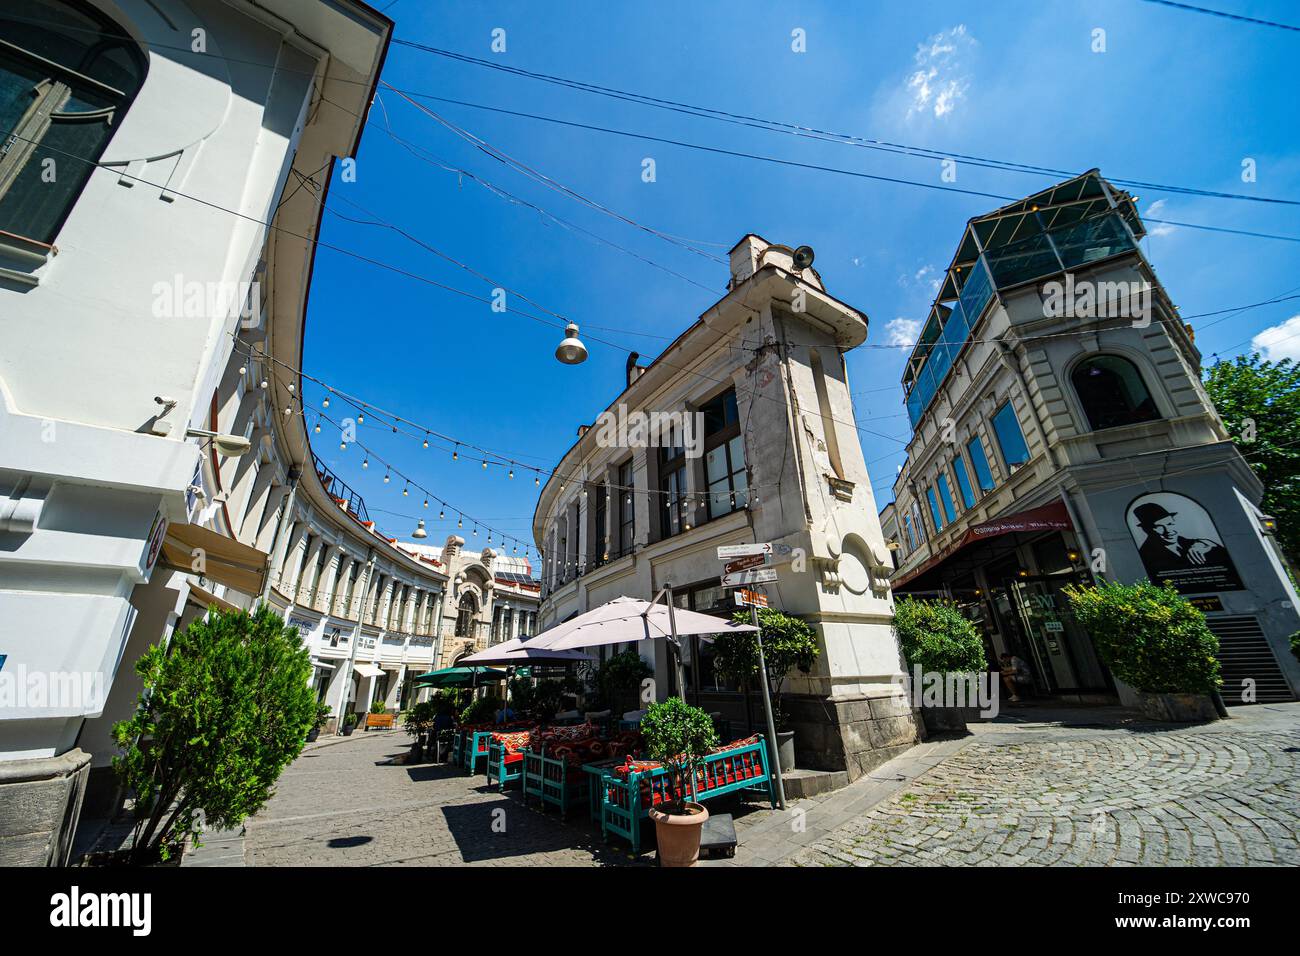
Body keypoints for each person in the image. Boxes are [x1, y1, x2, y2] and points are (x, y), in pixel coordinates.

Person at [1133, 503, 1228, 573]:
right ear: (1146, 529)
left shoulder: (1197, 543)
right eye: (1159, 527)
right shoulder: (1145, 555)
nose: (1168, 530)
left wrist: (1209, 545)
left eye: (1170, 524)